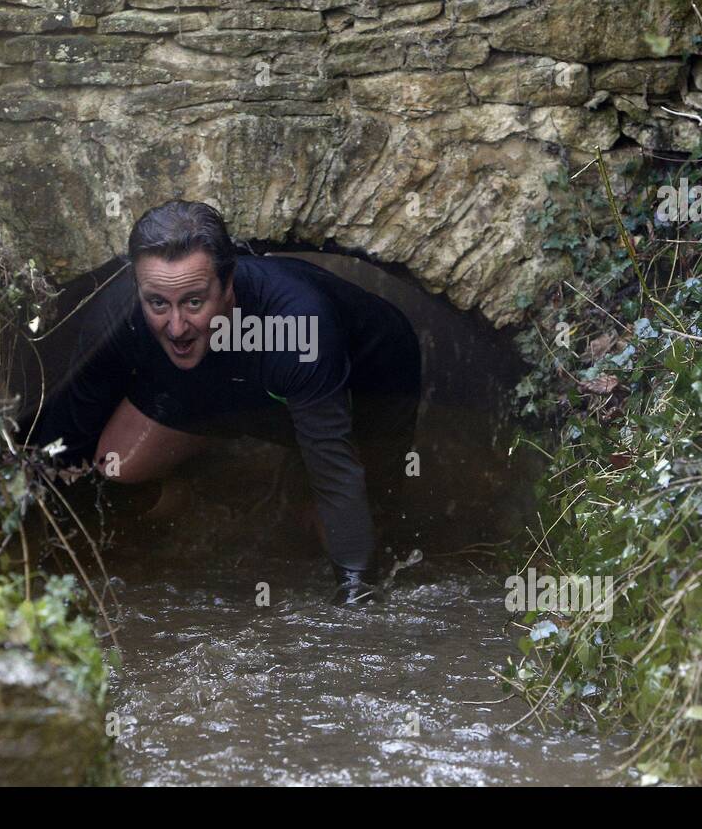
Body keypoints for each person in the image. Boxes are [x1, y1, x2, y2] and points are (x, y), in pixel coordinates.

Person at [28, 200, 421, 605]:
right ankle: (203, 488)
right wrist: (34, 524)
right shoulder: (120, 313)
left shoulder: (297, 326)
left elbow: (337, 472)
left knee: (327, 524)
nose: (176, 326)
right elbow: (66, 430)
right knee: (116, 468)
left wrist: (357, 598)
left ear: (228, 284)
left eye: (194, 302)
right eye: (158, 303)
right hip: (220, 382)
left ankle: (300, 490)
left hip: (359, 381)